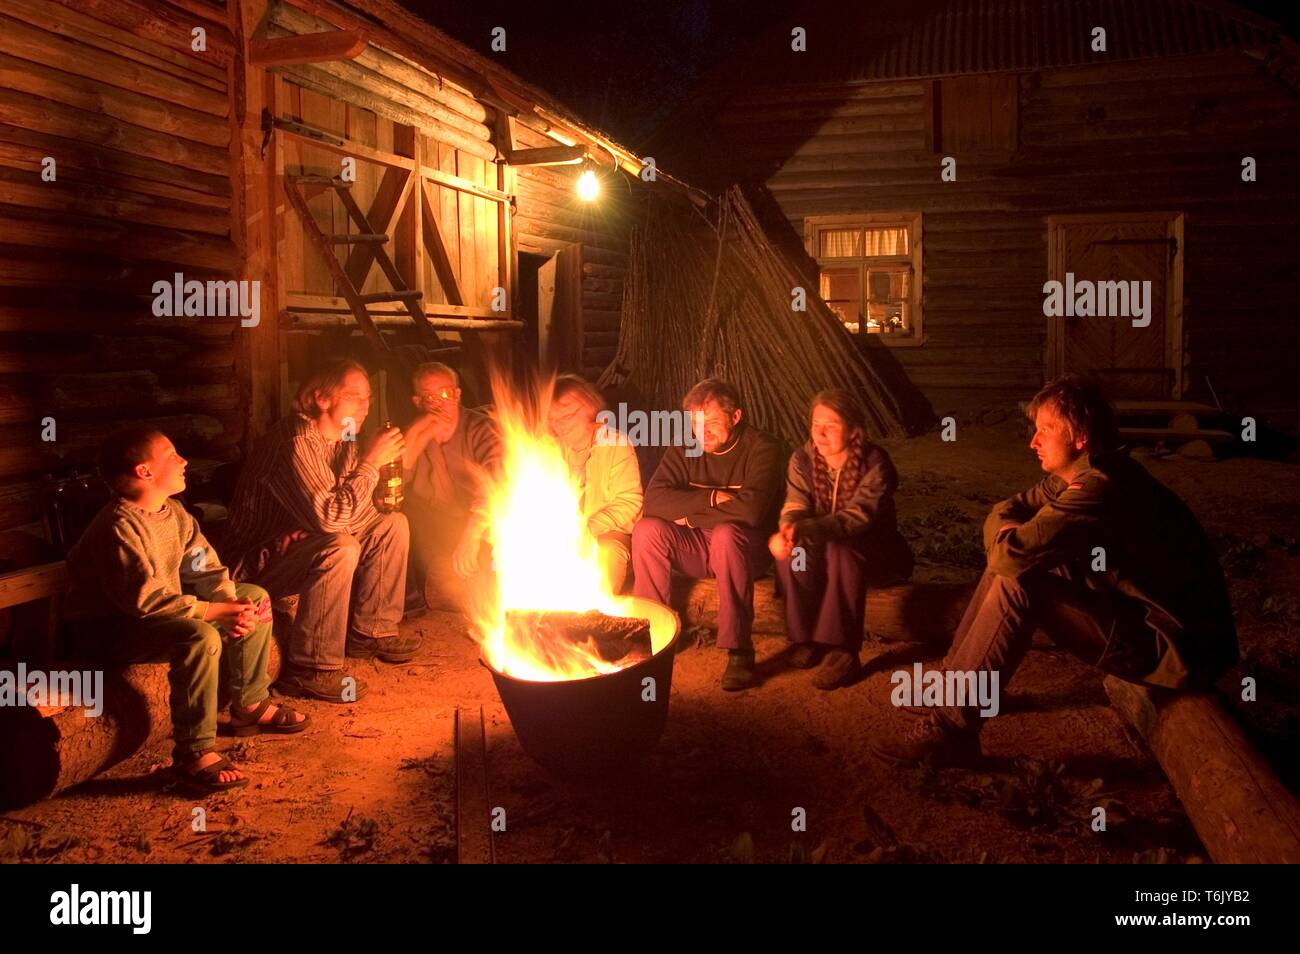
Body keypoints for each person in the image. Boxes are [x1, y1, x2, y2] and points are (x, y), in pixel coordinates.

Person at [871, 374, 1239, 765]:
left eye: (1045, 430)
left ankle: (951, 730)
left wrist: (1011, 542)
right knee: (1015, 561)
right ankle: (956, 688)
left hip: (1174, 649)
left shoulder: (1101, 487)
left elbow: (1008, 554)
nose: (1033, 441)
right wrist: (1011, 539)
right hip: (1134, 615)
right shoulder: (1079, 473)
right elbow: (1003, 509)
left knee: (1018, 577)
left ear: (1080, 437)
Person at [65, 428, 308, 795]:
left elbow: (203, 567)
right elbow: (142, 600)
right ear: (145, 471)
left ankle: (250, 704)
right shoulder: (119, 526)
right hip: (112, 627)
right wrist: (212, 612)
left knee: (254, 597)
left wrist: (231, 603)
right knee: (201, 636)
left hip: (159, 610)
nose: (183, 461)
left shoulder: (174, 513)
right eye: (172, 455)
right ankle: (193, 753)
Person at [223, 359, 419, 703]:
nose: (364, 405)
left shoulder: (344, 439)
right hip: (253, 565)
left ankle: (370, 631)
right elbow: (333, 520)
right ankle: (310, 669)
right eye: (353, 395)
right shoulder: (296, 441)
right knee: (338, 546)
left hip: (297, 546)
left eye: (368, 397)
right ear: (320, 398)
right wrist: (371, 464)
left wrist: (337, 514)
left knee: (391, 524)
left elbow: (349, 513)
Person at [632, 378, 785, 690]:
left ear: (736, 416)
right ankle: (652, 633)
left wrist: (687, 515)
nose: (703, 432)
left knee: (728, 534)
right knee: (647, 529)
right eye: (696, 423)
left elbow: (751, 511)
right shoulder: (685, 446)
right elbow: (654, 501)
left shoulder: (764, 448)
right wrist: (710, 498)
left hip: (746, 549)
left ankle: (739, 650)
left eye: (712, 421)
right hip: (698, 545)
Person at [770, 390, 913, 690]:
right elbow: (795, 503)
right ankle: (807, 637)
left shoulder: (874, 462)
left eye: (831, 425)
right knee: (791, 556)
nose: (820, 433)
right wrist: (788, 529)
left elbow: (857, 517)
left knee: (841, 550)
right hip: (821, 547)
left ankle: (844, 652)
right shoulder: (802, 459)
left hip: (874, 553)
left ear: (853, 430)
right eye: (815, 424)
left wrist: (808, 530)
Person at [401, 361, 502, 611]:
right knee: (399, 521)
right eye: (429, 396)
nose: (439, 402)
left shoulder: (482, 429)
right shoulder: (413, 432)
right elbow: (392, 485)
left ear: (457, 395)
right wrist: (416, 436)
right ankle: (410, 601)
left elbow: (495, 483)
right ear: (418, 402)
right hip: (433, 522)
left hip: (477, 521)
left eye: (445, 393)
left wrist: (471, 535)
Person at [547, 374, 643, 594]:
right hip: (564, 535)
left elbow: (630, 501)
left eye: (569, 415)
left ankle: (597, 618)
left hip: (611, 533)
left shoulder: (615, 443)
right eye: (555, 419)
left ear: (589, 410)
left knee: (607, 555)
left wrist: (588, 528)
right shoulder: (550, 450)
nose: (561, 424)